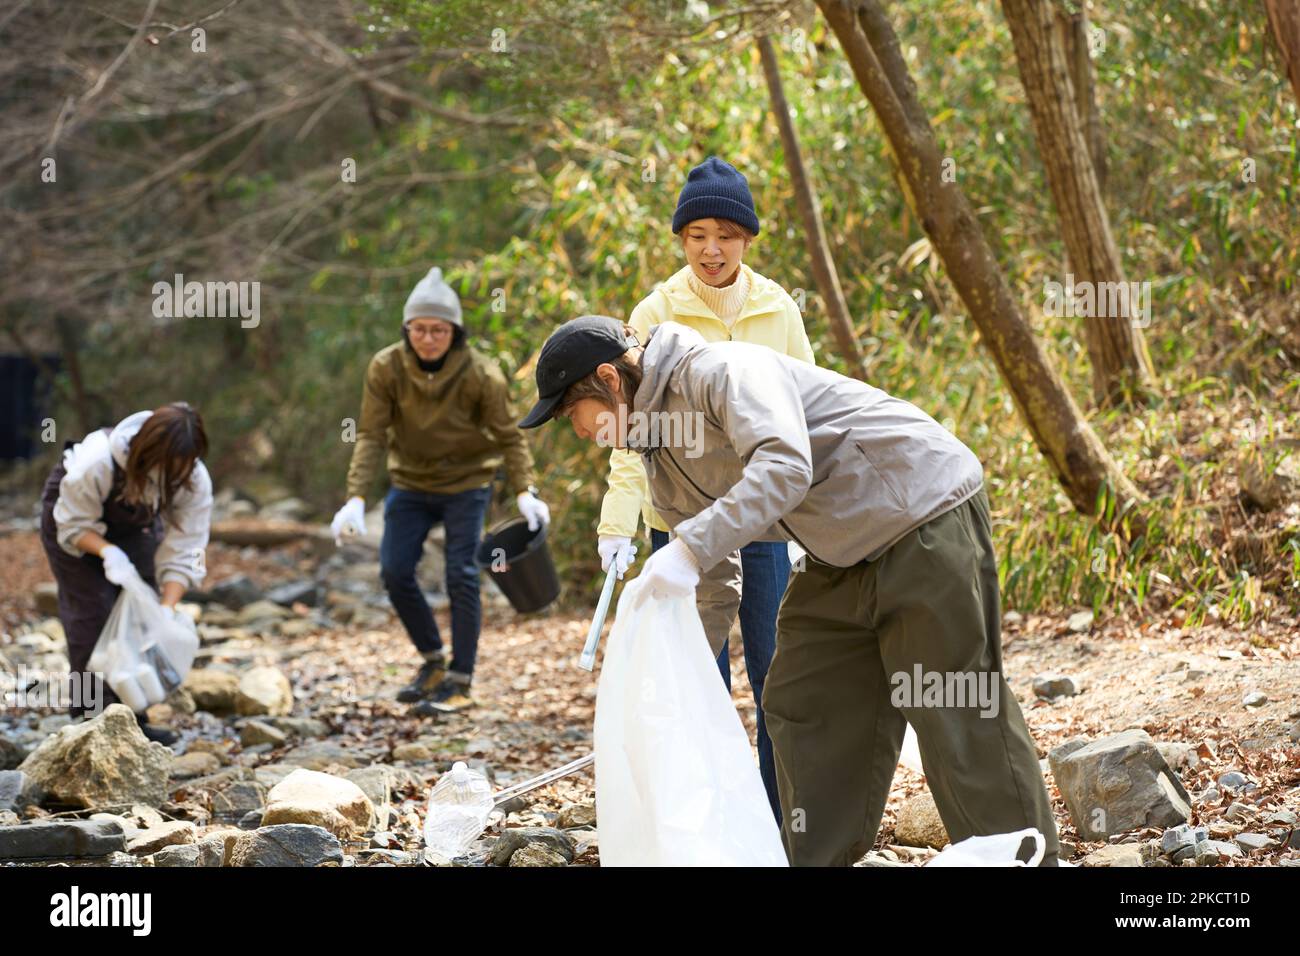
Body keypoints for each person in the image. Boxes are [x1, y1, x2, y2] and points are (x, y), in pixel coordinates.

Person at [520, 315, 1061, 866]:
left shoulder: (721, 370)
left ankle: (1026, 859)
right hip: (837, 546)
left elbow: (783, 468)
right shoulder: (658, 454)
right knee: (802, 698)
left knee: (948, 700)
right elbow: (708, 578)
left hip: (918, 506)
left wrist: (686, 549)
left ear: (609, 380)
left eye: (572, 415)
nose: (581, 432)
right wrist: (681, 672)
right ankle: (815, 860)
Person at [598, 156, 812, 821]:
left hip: (766, 523)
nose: (711, 249)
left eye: (725, 234)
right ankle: (715, 825)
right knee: (699, 673)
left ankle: (781, 823)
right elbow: (634, 432)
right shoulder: (657, 312)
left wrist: (810, 530)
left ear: (746, 239)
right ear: (682, 241)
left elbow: (806, 419)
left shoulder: (779, 309)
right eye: (697, 236)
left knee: (778, 673)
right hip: (684, 523)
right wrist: (617, 523)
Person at [332, 266, 549, 715]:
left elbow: (510, 435)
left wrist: (526, 489)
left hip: (467, 483)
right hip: (409, 482)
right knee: (394, 571)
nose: (428, 338)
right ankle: (432, 659)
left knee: (461, 574)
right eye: (419, 329)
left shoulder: (481, 375)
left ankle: (460, 677)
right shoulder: (386, 368)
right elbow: (370, 434)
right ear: (406, 330)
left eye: (438, 329)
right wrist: (354, 497)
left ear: (455, 332)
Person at [40, 402, 213, 746]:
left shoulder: (193, 479)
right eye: (167, 469)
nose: (175, 476)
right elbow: (73, 526)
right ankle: (91, 717)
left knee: (139, 618)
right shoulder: (96, 462)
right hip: (75, 527)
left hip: (135, 529)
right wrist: (107, 552)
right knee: (91, 616)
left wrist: (165, 608)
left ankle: (131, 717)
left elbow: (188, 547)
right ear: (147, 453)